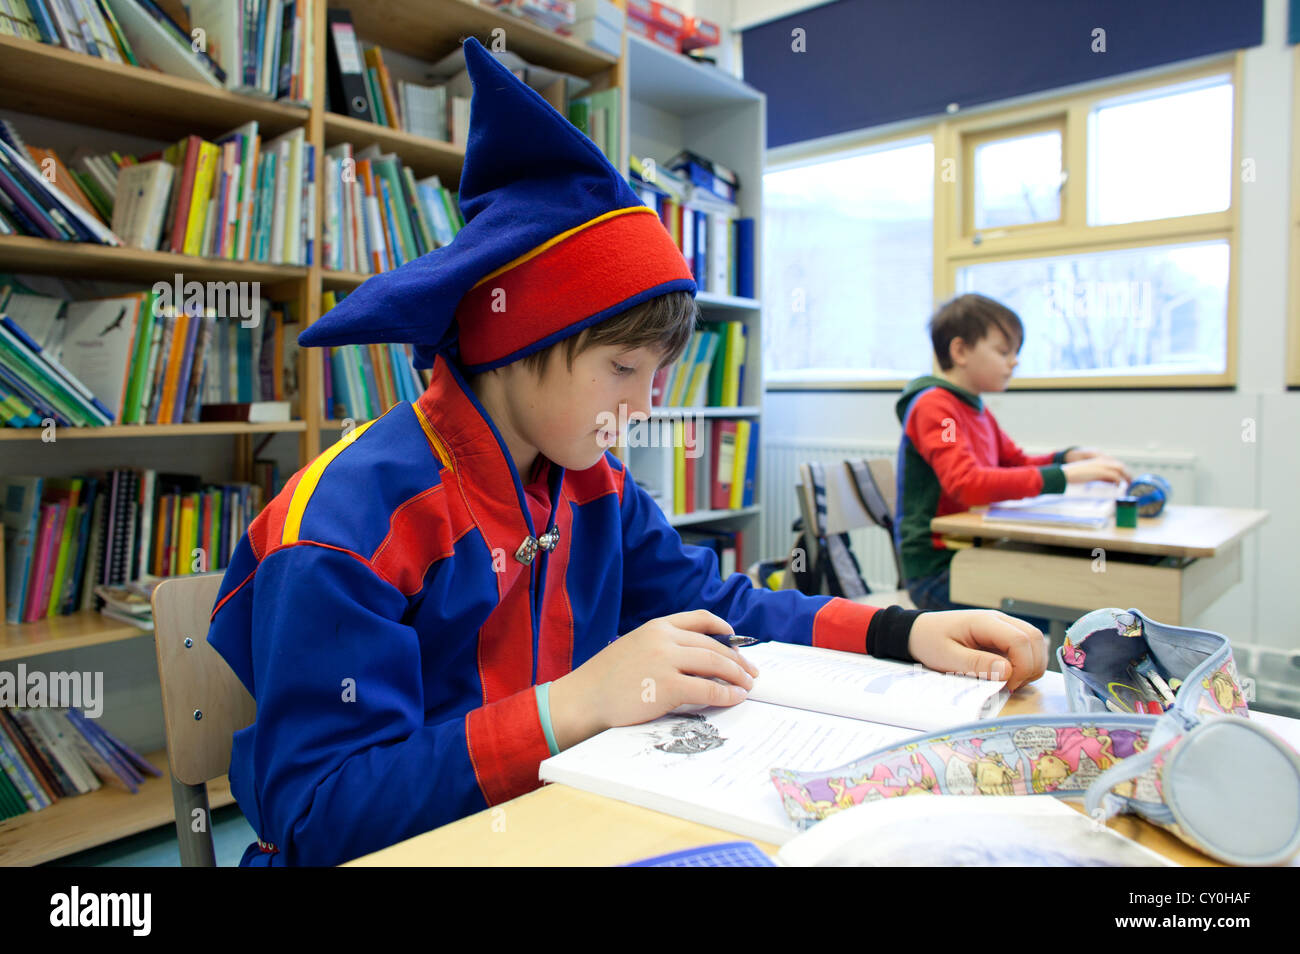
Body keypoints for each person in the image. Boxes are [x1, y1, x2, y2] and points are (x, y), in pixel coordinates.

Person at [206, 40, 1047, 867]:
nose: (647, 407)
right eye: (623, 368)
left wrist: (907, 629)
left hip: (559, 822)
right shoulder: (350, 524)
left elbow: (723, 610)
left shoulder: (590, 479)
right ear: (514, 338)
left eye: (659, 375)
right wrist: (573, 703)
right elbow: (318, 818)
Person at [895, 293, 1132, 615]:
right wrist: (1065, 476)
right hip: (940, 569)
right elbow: (966, 483)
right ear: (960, 350)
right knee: (1066, 604)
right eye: (1003, 351)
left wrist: (1065, 459)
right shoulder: (937, 408)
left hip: (973, 553)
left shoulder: (975, 408)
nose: (1014, 361)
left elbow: (1015, 463)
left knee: (1074, 593)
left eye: (1016, 353)